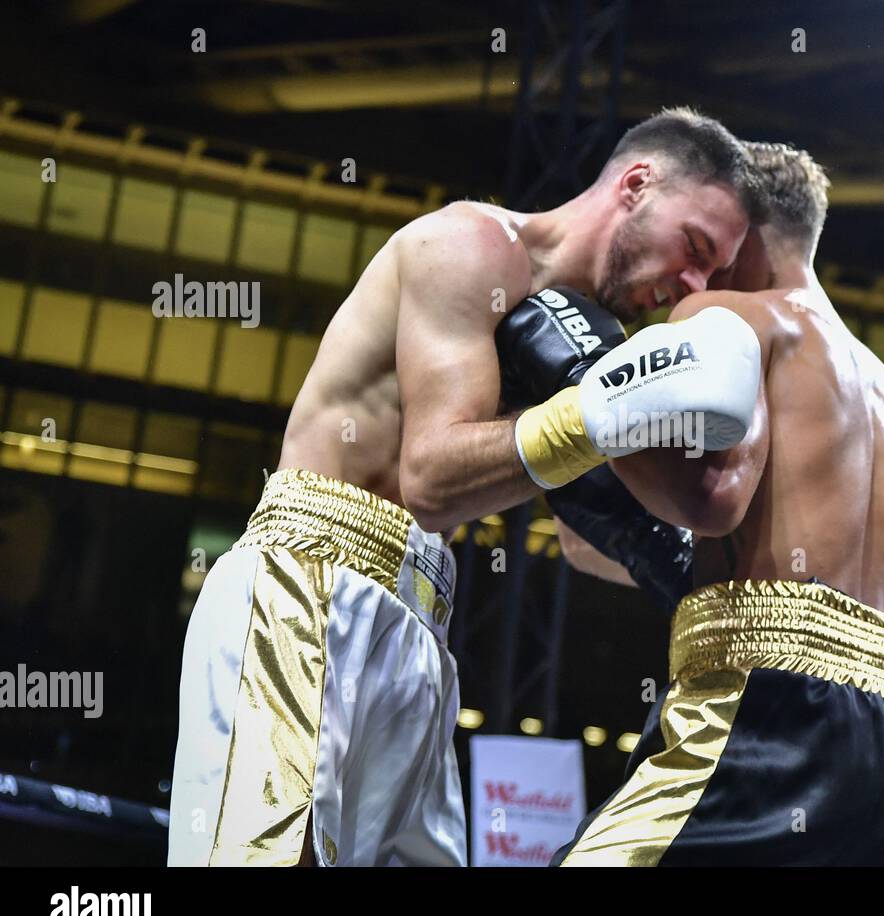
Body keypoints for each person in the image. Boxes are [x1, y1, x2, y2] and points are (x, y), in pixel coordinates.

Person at [167, 108, 763, 867]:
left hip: (421, 628)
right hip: (311, 586)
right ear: (637, 185)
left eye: (711, 275)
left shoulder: (589, 342)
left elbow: (587, 540)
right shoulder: (471, 244)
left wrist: (734, 583)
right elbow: (431, 479)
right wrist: (600, 414)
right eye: (696, 248)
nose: (692, 284)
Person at [550, 141, 884, 865]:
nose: (687, 276)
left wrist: (576, 392)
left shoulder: (733, 315)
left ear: (748, 234)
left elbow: (717, 501)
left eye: (707, 247)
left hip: (774, 702)